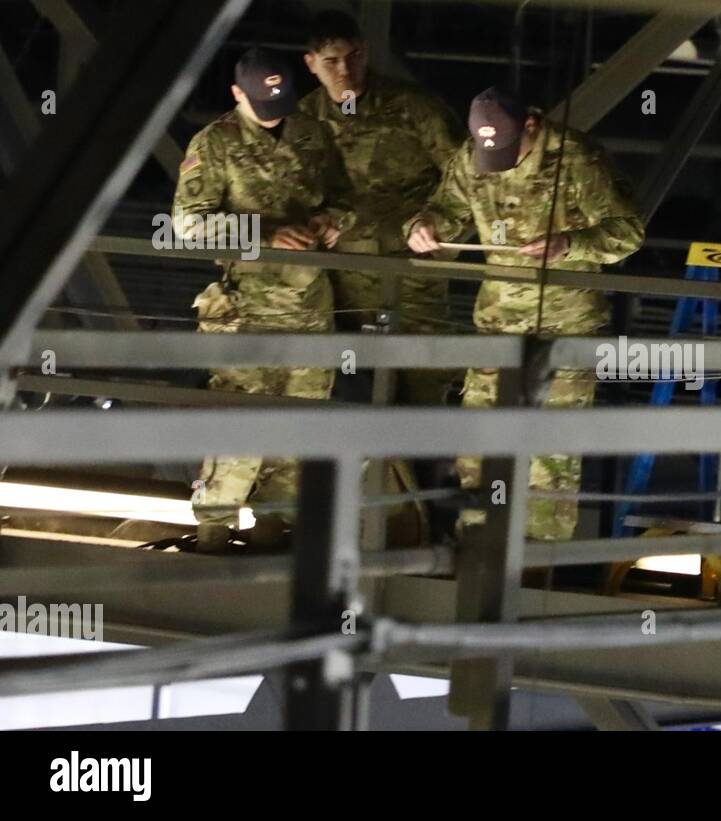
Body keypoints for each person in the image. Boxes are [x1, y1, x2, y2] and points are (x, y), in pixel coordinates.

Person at [405, 86, 644, 541]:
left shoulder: (577, 158)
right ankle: (477, 548)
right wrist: (425, 227)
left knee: (550, 457)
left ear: (531, 123)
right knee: (479, 446)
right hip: (497, 324)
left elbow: (627, 232)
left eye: (510, 149)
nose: (501, 160)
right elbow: (446, 209)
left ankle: (535, 567)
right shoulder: (473, 155)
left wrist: (570, 245)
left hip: (566, 327)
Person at [174, 47, 353, 543]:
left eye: (282, 101)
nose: (275, 114)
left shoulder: (312, 135)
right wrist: (264, 232)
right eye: (262, 103)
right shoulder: (214, 143)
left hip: (309, 306)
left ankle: (274, 530)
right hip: (245, 309)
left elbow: (345, 199)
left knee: (297, 428)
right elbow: (188, 224)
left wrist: (333, 222)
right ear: (237, 94)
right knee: (239, 428)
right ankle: (214, 530)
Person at [299, 9, 467, 405]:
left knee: (421, 384)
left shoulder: (414, 108)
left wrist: (439, 223)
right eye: (332, 62)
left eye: (354, 56)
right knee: (341, 389)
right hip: (335, 277)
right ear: (311, 64)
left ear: (367, 52)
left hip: (411, 271)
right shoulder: (302, 120)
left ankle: (424, 467)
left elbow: (468, 178)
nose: (346, 71)